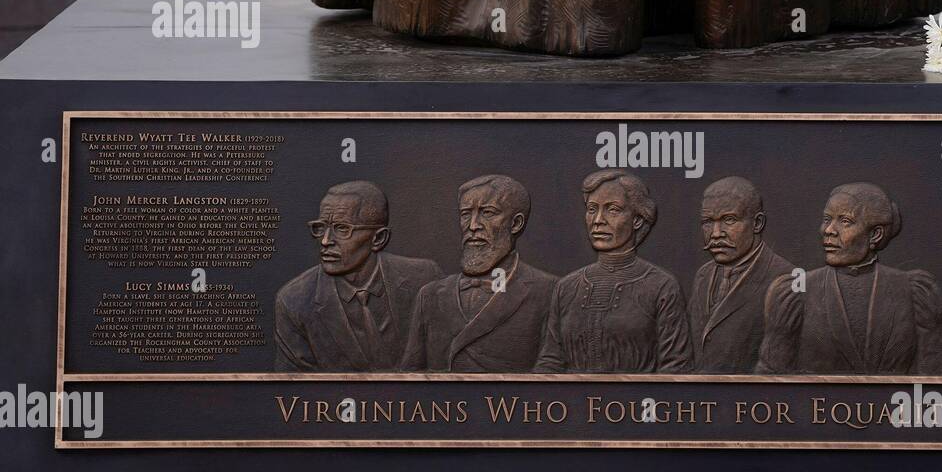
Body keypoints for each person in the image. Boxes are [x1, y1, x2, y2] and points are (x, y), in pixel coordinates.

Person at [759, 182, 942, 374]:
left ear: (875, 235)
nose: (829, 230)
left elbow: (938, 382)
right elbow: (768, 381)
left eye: (845, 221)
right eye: (827, 219)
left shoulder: (913, 292)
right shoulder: (796, 292)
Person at [536, 171, 692, 372]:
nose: (598, 220)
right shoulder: (566, 287)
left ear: (636, 219)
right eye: (592, 209)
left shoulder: (661, 286)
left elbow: (676, 369)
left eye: (613, 210)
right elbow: (550, 363)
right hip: (573, 402)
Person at [275, 181, 441, 371]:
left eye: (342, 229)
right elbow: (295, 389)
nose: (325, 240)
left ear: (378, 239)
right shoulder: (294, 300)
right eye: (321, 227)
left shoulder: (425, 279)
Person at [403, 175, 555, 372]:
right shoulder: (429, 296)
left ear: (516, 224)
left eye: (488, 213)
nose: (473, 225)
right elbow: (408, 381)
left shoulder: (549, 292)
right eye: (466, 214)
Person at [688, 177, 793, 373]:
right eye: (708, 222)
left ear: (757, 223)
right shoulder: (703, 275)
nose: (716, 233)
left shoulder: (786, 281)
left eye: (729, 220)